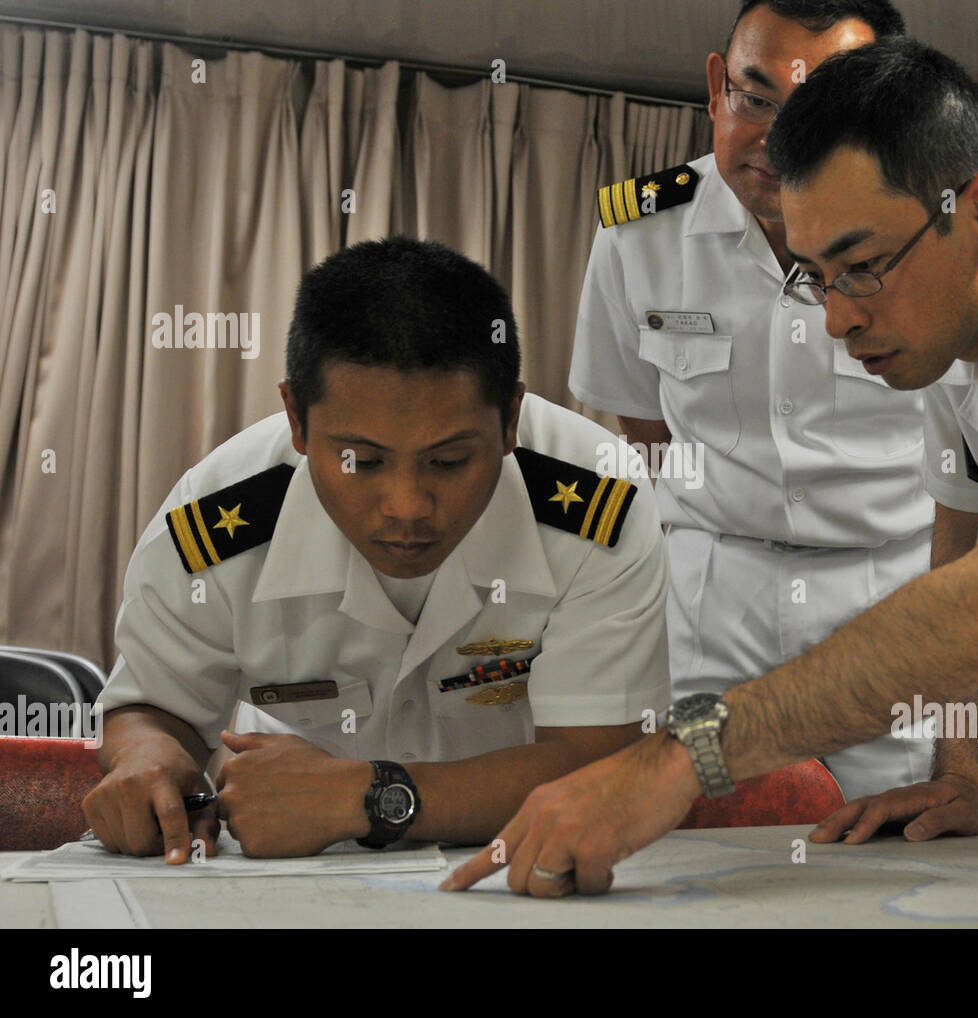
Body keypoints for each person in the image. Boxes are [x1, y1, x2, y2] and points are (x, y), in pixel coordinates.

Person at [445, 37, 978, 897]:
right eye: (819, 278)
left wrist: (679, 760)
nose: (837, 321)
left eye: (862, 267)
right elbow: (963, 541)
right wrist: (964, 776)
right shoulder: (952, 334)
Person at [85, 237, 670, 862]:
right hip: (290, 863)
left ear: (509, 422)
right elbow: (151, 706)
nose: (407, 505)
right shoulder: (219, 523)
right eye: (360, 461)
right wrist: (147, 758)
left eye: (448, 461)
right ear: (296, 420)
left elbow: (602, 768)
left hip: (520, 860)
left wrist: (369, 798)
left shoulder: (595, 506)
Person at [569, 0, 948, 801]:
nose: (778, 142)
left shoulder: (926, 239)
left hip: (891, 594)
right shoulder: (638, 233)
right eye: (755, 98)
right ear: (715, 87)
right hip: (713, 601)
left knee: (896, 853)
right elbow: (645, 429)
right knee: (700, 849)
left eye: (818, 111)